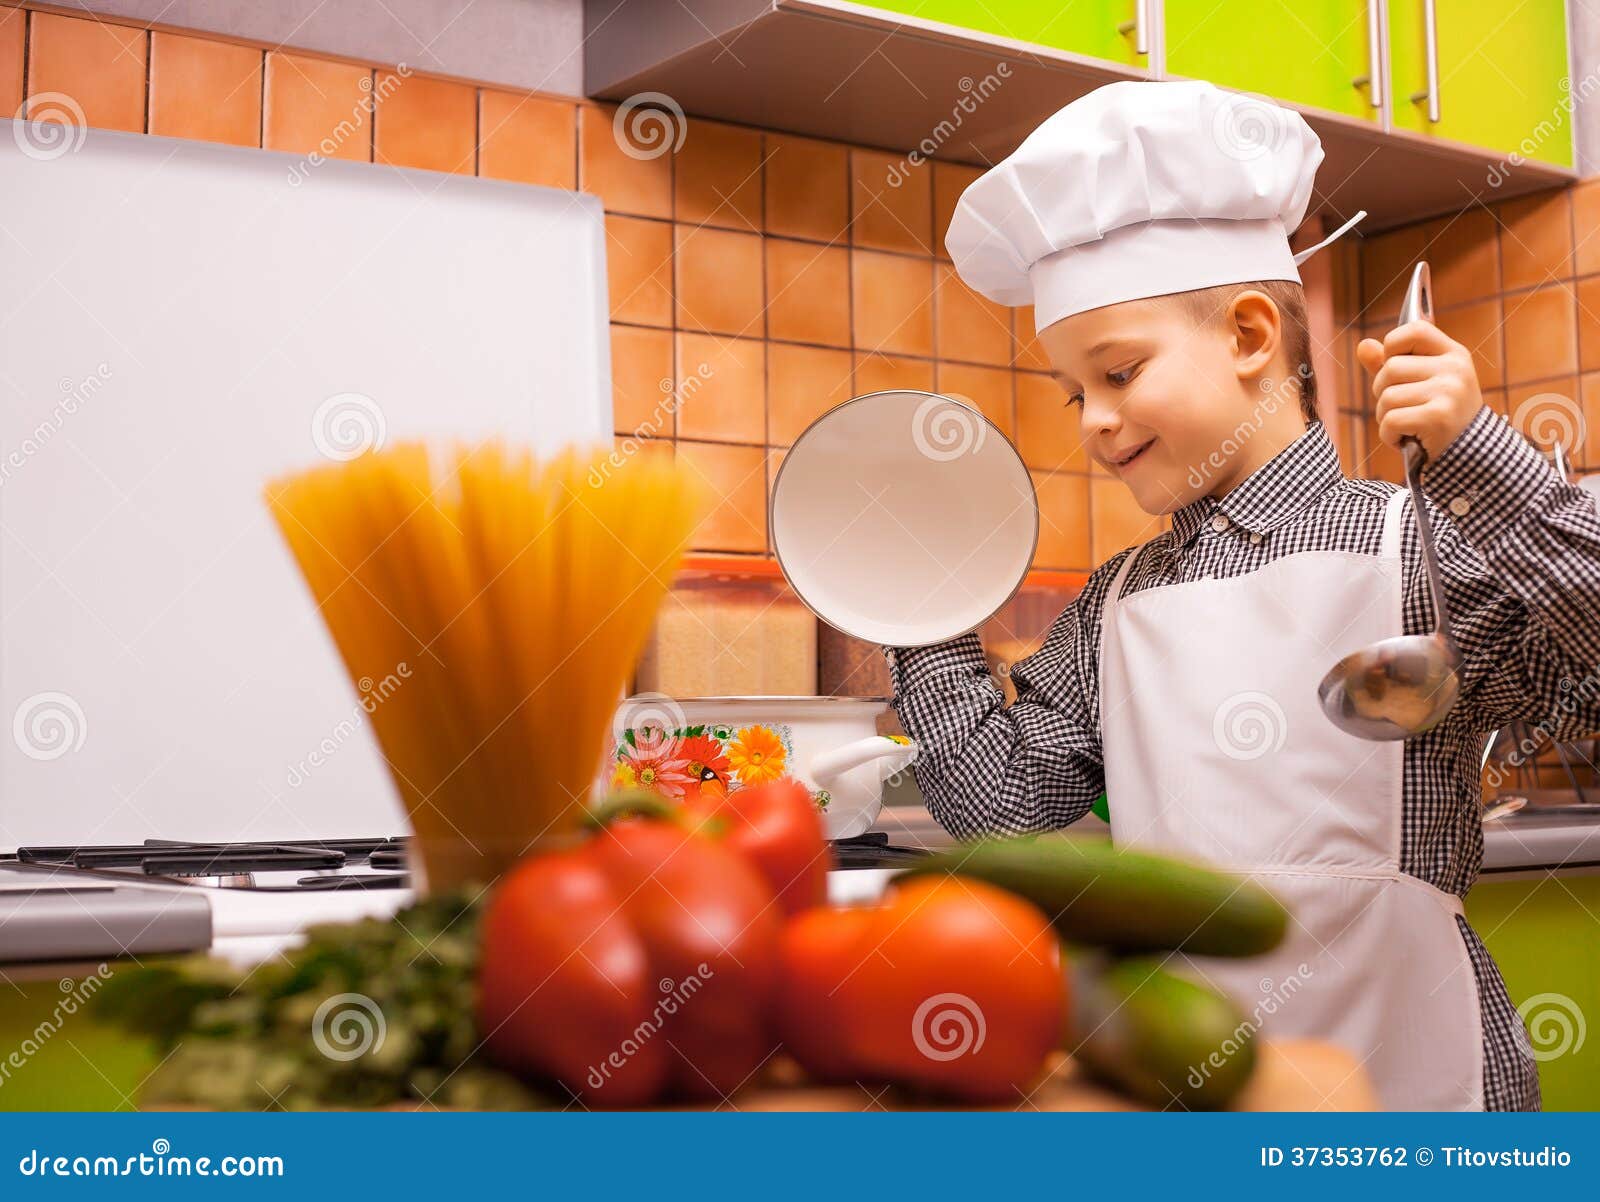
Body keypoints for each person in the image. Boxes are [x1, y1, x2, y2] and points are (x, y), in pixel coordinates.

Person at [888, 79, 1600, 1110]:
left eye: (1119, 373)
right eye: (1074, 393)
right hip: (1194, 1091)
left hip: (1415, 1081)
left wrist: (1480, 459)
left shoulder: (1421, 545)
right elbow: (1002, 801)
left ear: (1251, 335)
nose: (1091, 419)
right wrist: (923, 608)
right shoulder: (1116, 601)